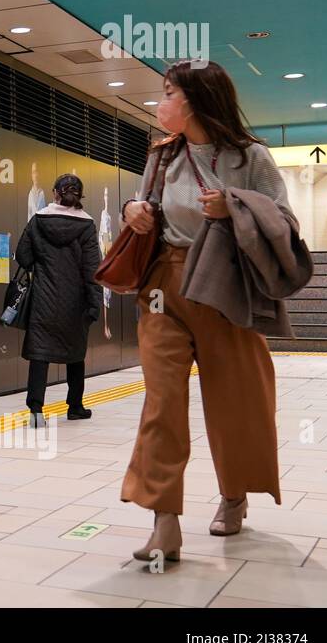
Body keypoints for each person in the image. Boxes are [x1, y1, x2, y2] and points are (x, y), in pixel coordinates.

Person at [120, 60, 296, 565]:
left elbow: (283, 219)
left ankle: (234, 494)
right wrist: (132, 210)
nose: (161, 101)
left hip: (226, 286)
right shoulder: (161, 155)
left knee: (237, 399)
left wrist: (233, 207)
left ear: (193, 100)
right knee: (161, 401)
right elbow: (145, 206)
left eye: (168, 92)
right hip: (164, 287)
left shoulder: (249, 157)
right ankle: (164, 521)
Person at [15, 174, 102, 427]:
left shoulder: (38, 220)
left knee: (40, 354)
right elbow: (91, 268)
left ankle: (35, 411)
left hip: (44, 298)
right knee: (75, 353)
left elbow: (23, 256)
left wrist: (41, 264)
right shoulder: (86, 225)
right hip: (75, 302)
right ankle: (75, 406)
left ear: (55, 193)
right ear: (79, 195)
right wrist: (94, 304)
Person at [99, 185, 113, 339]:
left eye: (107, 195)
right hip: (105, 256)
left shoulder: (107, 216)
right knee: (105, 292)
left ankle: (106, 325)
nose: (106, 198)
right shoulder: (104, 216)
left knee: (107, 293)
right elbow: (103, 238)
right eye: (105, 194)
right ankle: (105, 325)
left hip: (107, 257)